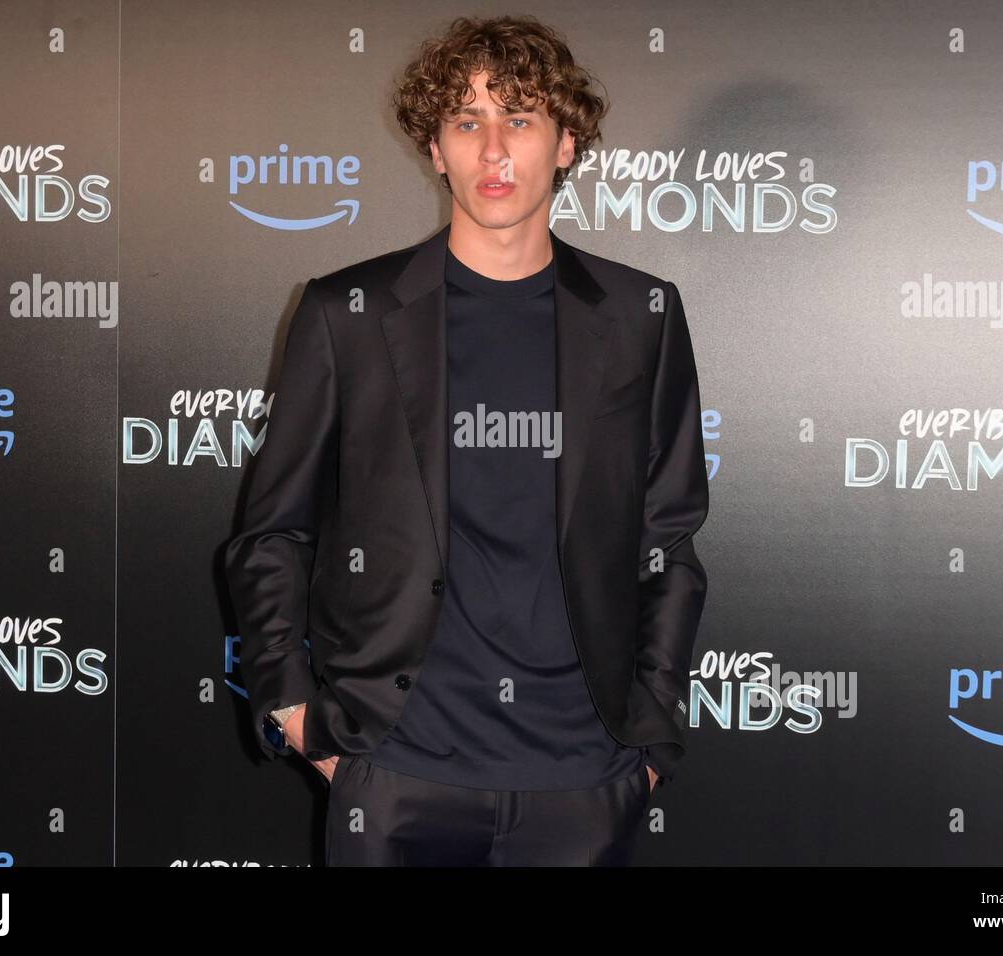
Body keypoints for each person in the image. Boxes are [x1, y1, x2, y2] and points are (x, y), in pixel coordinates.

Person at [225, 14, 709, 866]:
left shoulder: (640, 318)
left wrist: (652, 730)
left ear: (565, 144)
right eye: (466, 121)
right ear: (435, 149)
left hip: (584, 779)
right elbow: (273, 531)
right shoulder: (350, 314)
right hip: (395, 775)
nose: (494, 150)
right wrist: (296, 711)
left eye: (520, 119)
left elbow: (668, 537)